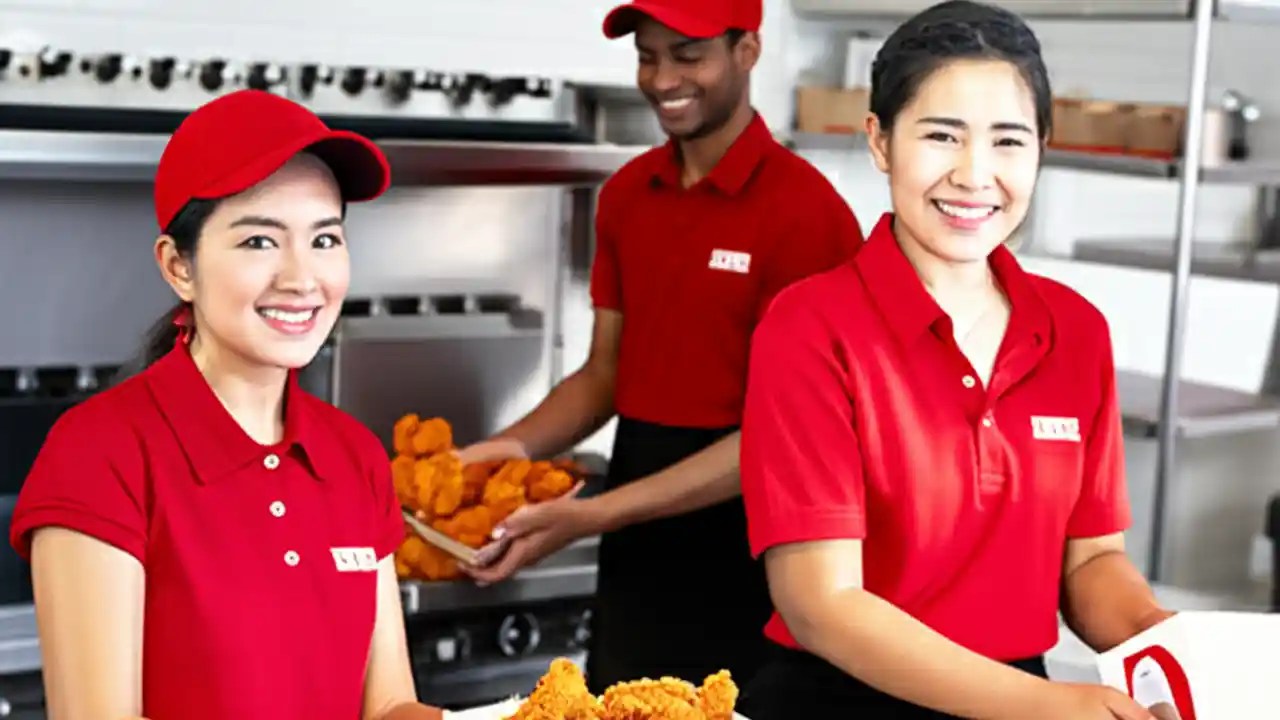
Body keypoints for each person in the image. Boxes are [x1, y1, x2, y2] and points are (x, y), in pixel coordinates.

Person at [735, 2, 1173, 719]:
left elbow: (1091, 561)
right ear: (880, 142)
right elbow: (822, 602)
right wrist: (1048, 707)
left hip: (1024, 696)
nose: (975, 175)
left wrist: (1171, 641)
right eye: (942, 136)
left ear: (1041, 148)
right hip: (840, 703)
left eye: (1008, 142)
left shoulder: (1076, 331)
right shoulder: (811, 327)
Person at [454, 0, 865, 694]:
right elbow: (605, 377)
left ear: (748, 51)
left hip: (753, 546)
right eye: (649, 56)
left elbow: (783, 440)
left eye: (688, 54)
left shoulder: (809, 215)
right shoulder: (626, 197)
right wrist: (497, 455)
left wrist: (590, 516)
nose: (663, 78)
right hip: (638, 543)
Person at [8, 90, 446, 720]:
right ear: (178, 267)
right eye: (259, 243)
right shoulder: (101, 454)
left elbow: (389, 706)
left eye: (325, 239)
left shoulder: (354, 455)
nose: (303, 279)